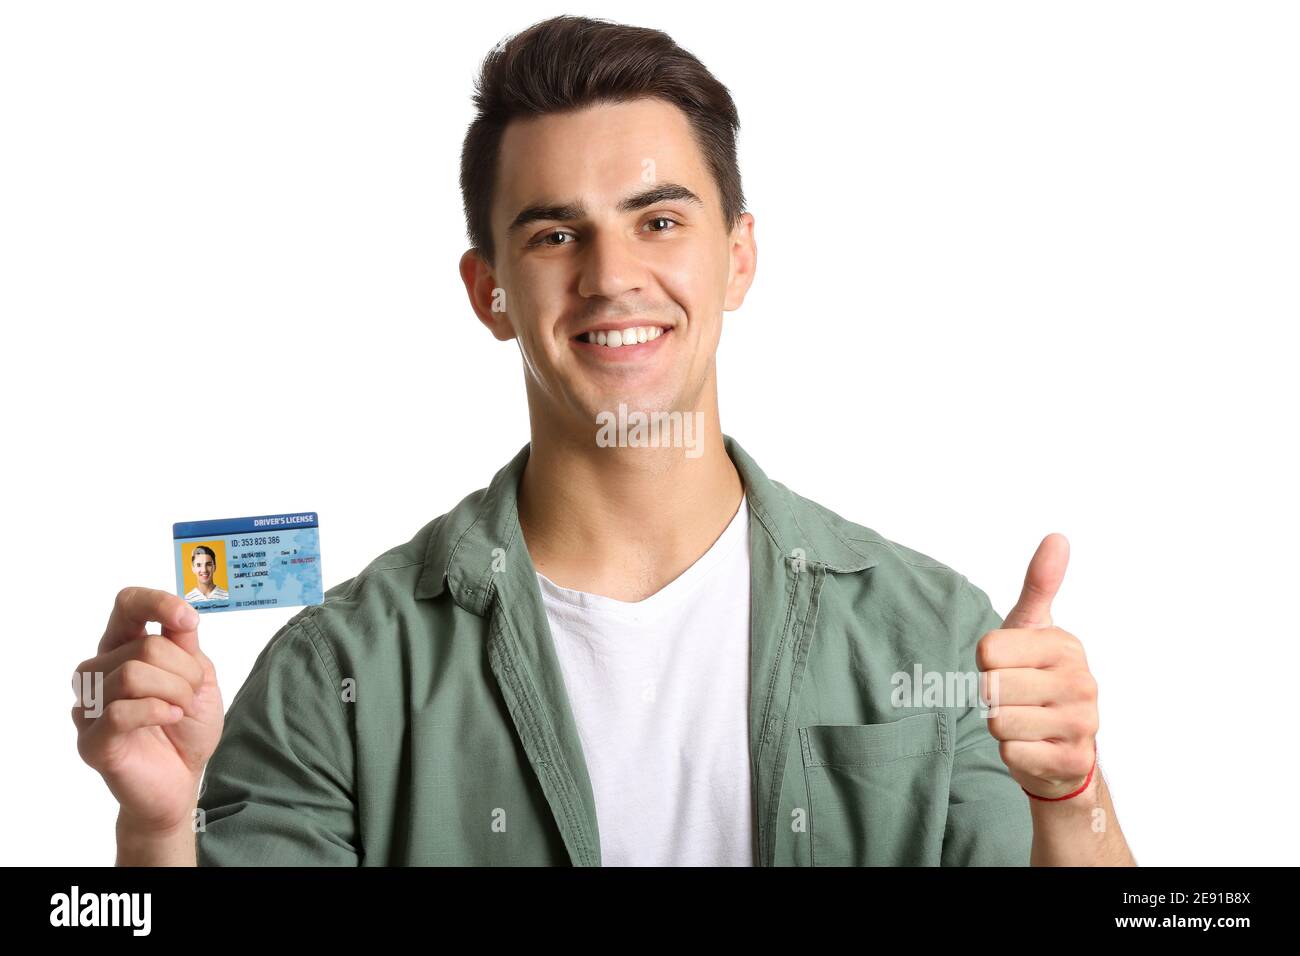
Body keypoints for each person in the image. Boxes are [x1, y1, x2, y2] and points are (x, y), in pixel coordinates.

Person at [72, 14, 1134, 866]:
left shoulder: (941, 641)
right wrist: (159, 832)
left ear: (738, 258)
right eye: (552, 232)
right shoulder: (338, 672)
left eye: (658, 219)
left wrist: (1072, 794)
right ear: (489, 291)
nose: (611, 271)